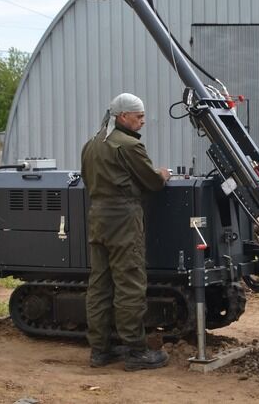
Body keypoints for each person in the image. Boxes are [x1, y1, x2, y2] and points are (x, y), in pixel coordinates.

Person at [80, 93, 171, 371]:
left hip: (98, 217)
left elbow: (86, 179)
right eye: (138, 116)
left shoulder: (91, 145)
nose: (143, 121)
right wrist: (163, 175)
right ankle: (135, 351)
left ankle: (100, 350)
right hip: (123, 218)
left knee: (99, 285)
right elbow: (152, 182)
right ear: (122, 117)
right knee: (129, 282)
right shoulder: (129, 146)